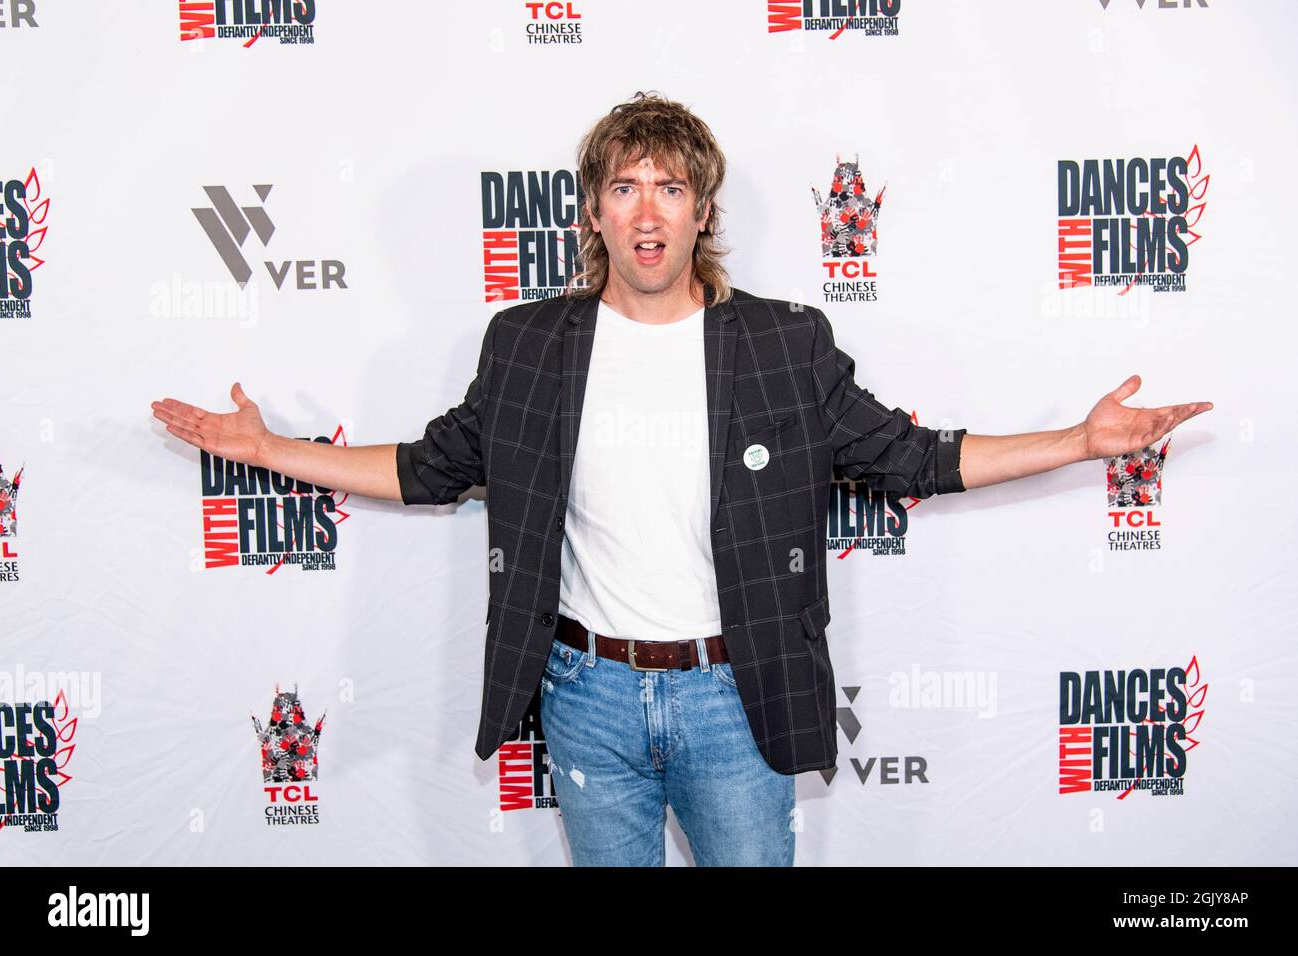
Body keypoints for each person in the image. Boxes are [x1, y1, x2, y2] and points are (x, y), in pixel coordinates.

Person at [151, 91, 1213, 866]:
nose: (647, 210)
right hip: (585, 699)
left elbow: (912, 457)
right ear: (594, 214)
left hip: (733, 697)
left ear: (703, 210)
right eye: (624, 187)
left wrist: (1076, 440)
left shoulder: (780, 343)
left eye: (670, 186)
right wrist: (270, 449)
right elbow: (433, 466)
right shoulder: (527, 343)